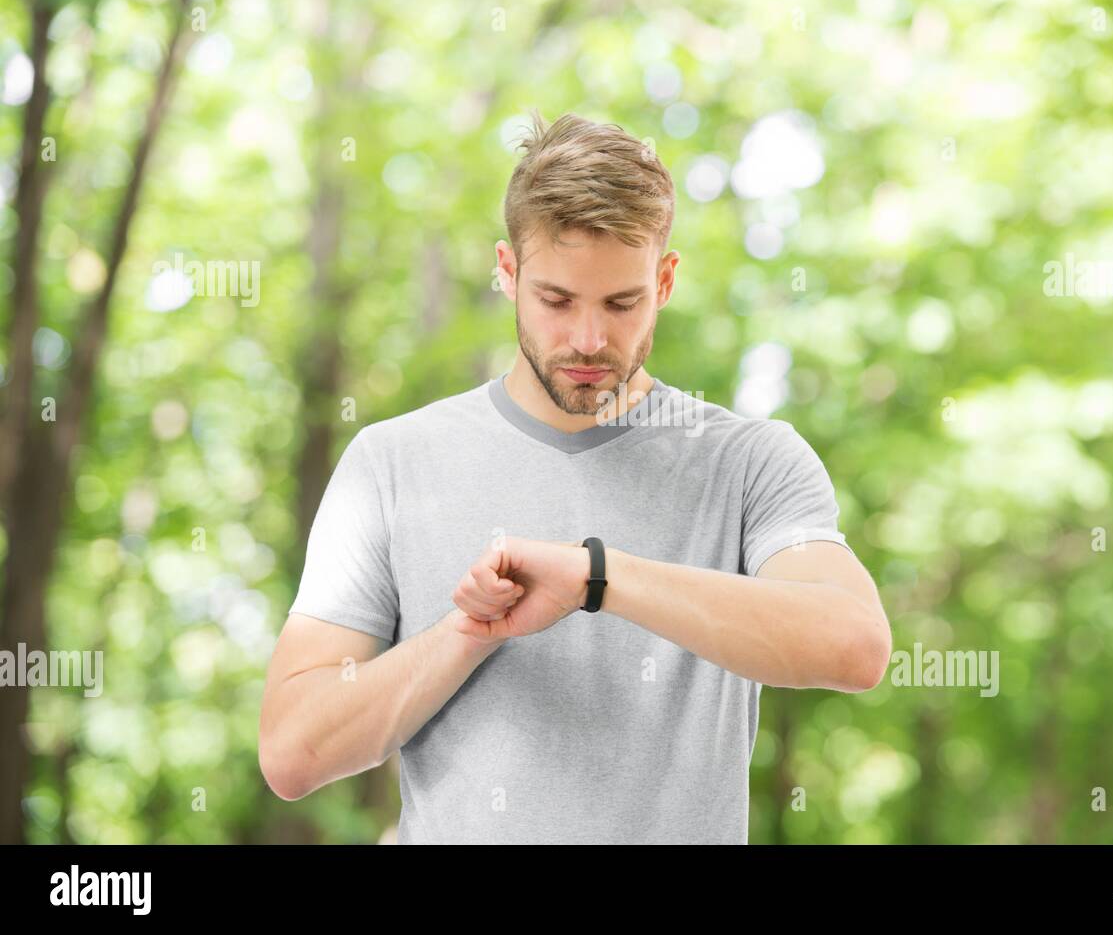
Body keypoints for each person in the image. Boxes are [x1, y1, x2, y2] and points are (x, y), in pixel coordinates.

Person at [258, 110, 892, 844]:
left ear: (664, 279)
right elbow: (292, 751)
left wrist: (598, 578)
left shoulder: (751, 462)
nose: (589, 339)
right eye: (556, 300)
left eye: (622, 303)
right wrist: (466, 633)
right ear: (507, 271)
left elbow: (855, 644)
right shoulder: (389, 464)